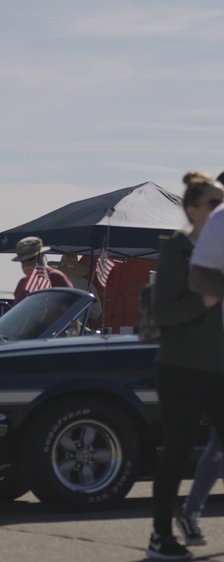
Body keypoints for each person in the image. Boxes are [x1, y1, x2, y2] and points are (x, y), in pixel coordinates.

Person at [145, 171, 224, 560]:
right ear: (193, 210)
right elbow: (163, 312)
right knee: (177, 452)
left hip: (220, 367)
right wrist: (204, 302)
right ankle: (161, 536)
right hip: (182, 366)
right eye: (214, 202)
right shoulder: (177, 250)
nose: (221, 208)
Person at [11, 237, 72, 304]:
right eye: (23, 261)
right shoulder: (22, 282)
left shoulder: (55, 277)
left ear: (41, 256)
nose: (26, 263)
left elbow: (71, 306)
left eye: (30, 258)